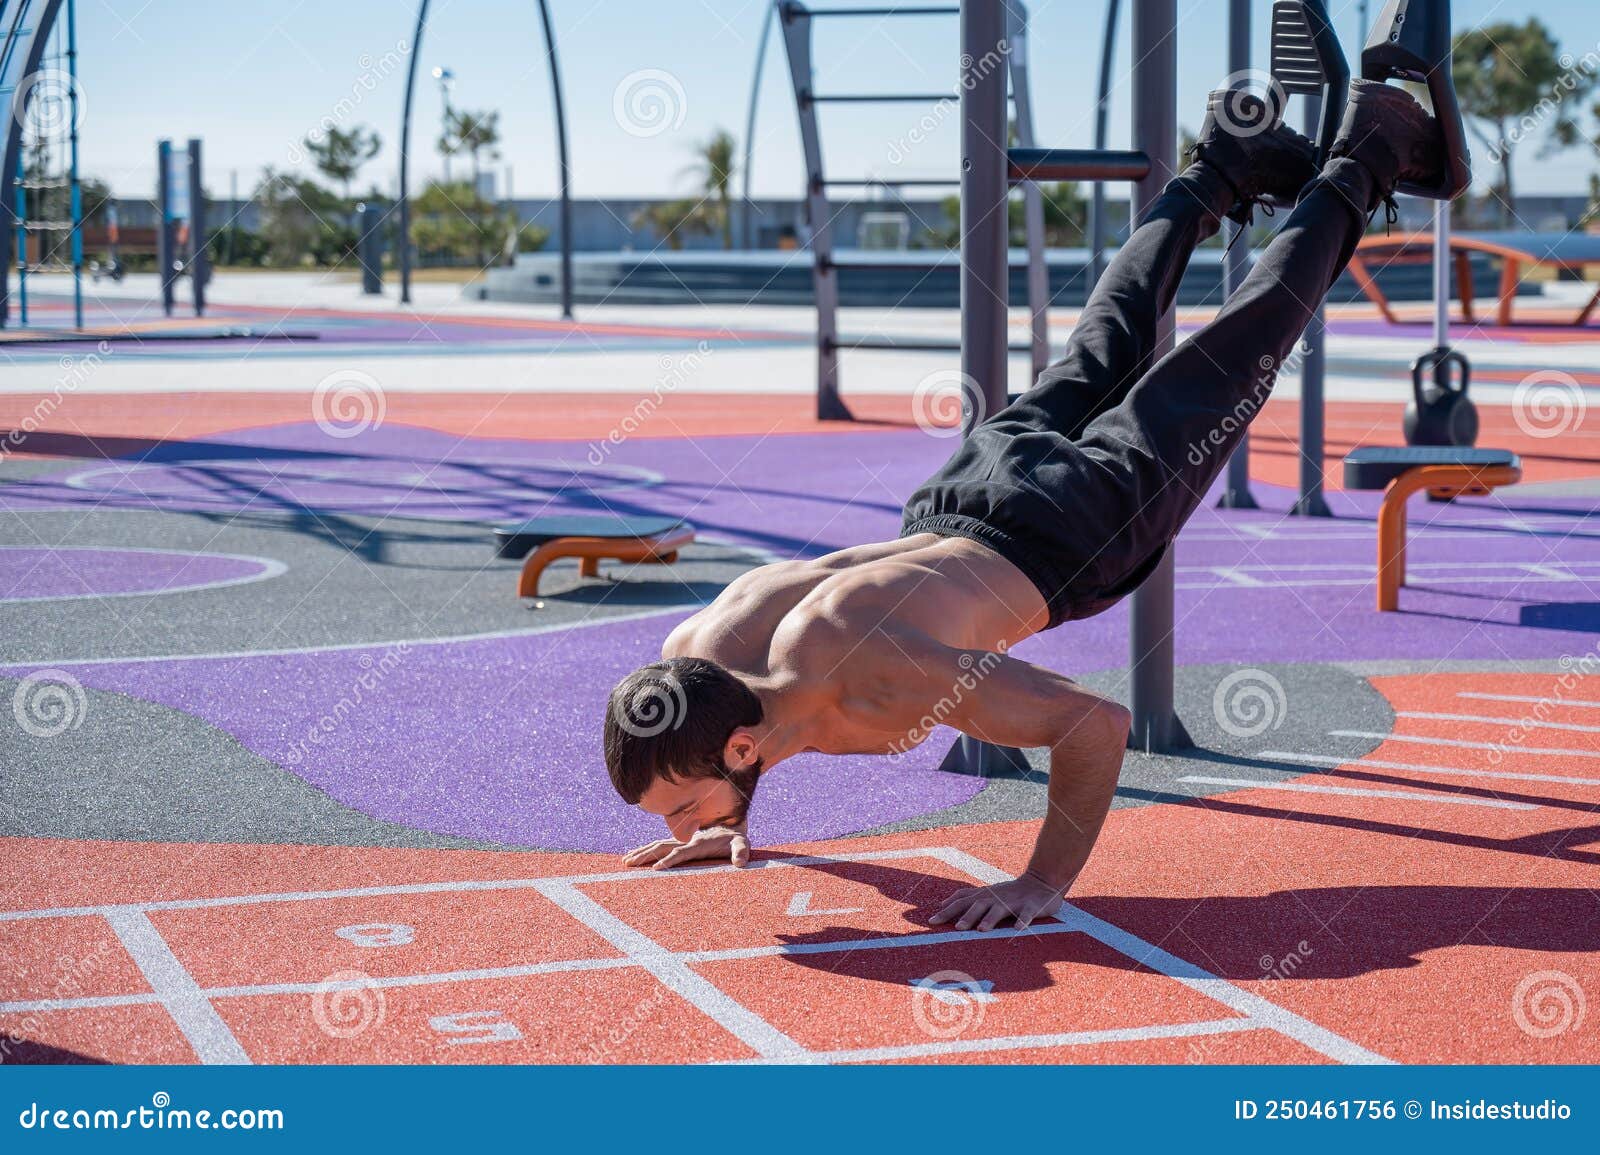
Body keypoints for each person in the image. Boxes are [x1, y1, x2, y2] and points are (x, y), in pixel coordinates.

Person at [604, 80, 1446, 932]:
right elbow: (750, 725)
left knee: (1238, 349)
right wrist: (726, 811)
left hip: (1073, 531)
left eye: (682, 808)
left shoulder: (876, 680)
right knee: (1104, 335)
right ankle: (1219, 165)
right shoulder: (699, 656)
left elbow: (1094, 725)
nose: (680, 823)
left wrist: (1038, 883)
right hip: (963, 494)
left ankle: (1369, 150)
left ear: (740, 747)